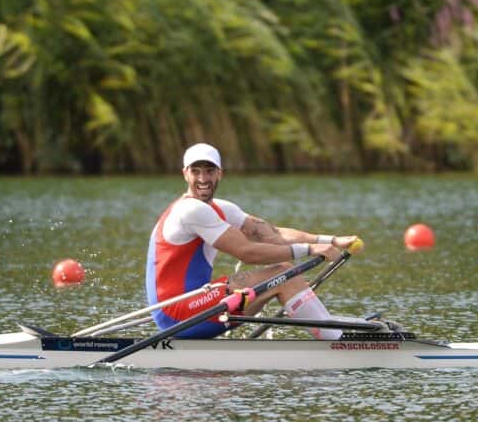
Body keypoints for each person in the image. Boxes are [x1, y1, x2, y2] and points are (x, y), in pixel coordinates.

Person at [145, 143, 362, 339]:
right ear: (185, 174)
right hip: (176, 314)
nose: (203, 179)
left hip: (196, 303)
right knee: (283, 274)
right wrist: (310, 249)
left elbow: (272, 235)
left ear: (220, 173)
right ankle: (338, 342)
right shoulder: (190, 210)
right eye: (196, 171)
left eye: (209, 171)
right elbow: (247, 253)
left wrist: (330, 240)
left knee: (284, 273)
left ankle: (334, 335)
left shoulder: (220, 208)